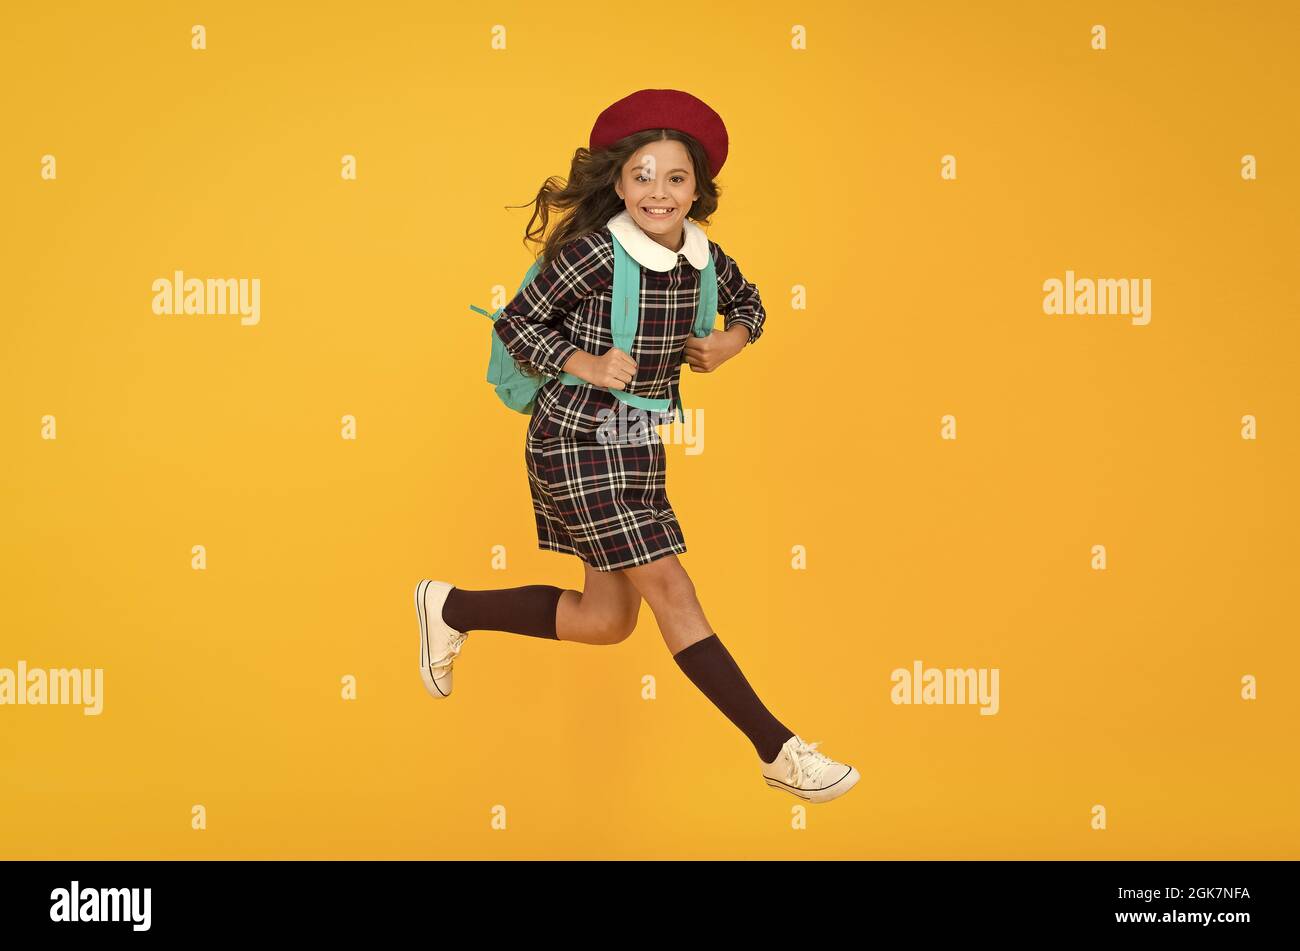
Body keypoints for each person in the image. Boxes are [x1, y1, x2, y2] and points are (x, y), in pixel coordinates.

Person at [417, 89, 858, 804]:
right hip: (573, 437)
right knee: (673, 591)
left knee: (607, 620)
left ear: (697, 190)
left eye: (676, 177)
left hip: (638, 441)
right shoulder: (594, 254)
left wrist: (728, 341)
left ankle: (450, 607)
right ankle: (778, 749)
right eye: (643, 175)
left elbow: (751, 305)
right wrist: (583, 362)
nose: (659, 191)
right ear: (619, 183)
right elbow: (516, 323)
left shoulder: (703, 259)